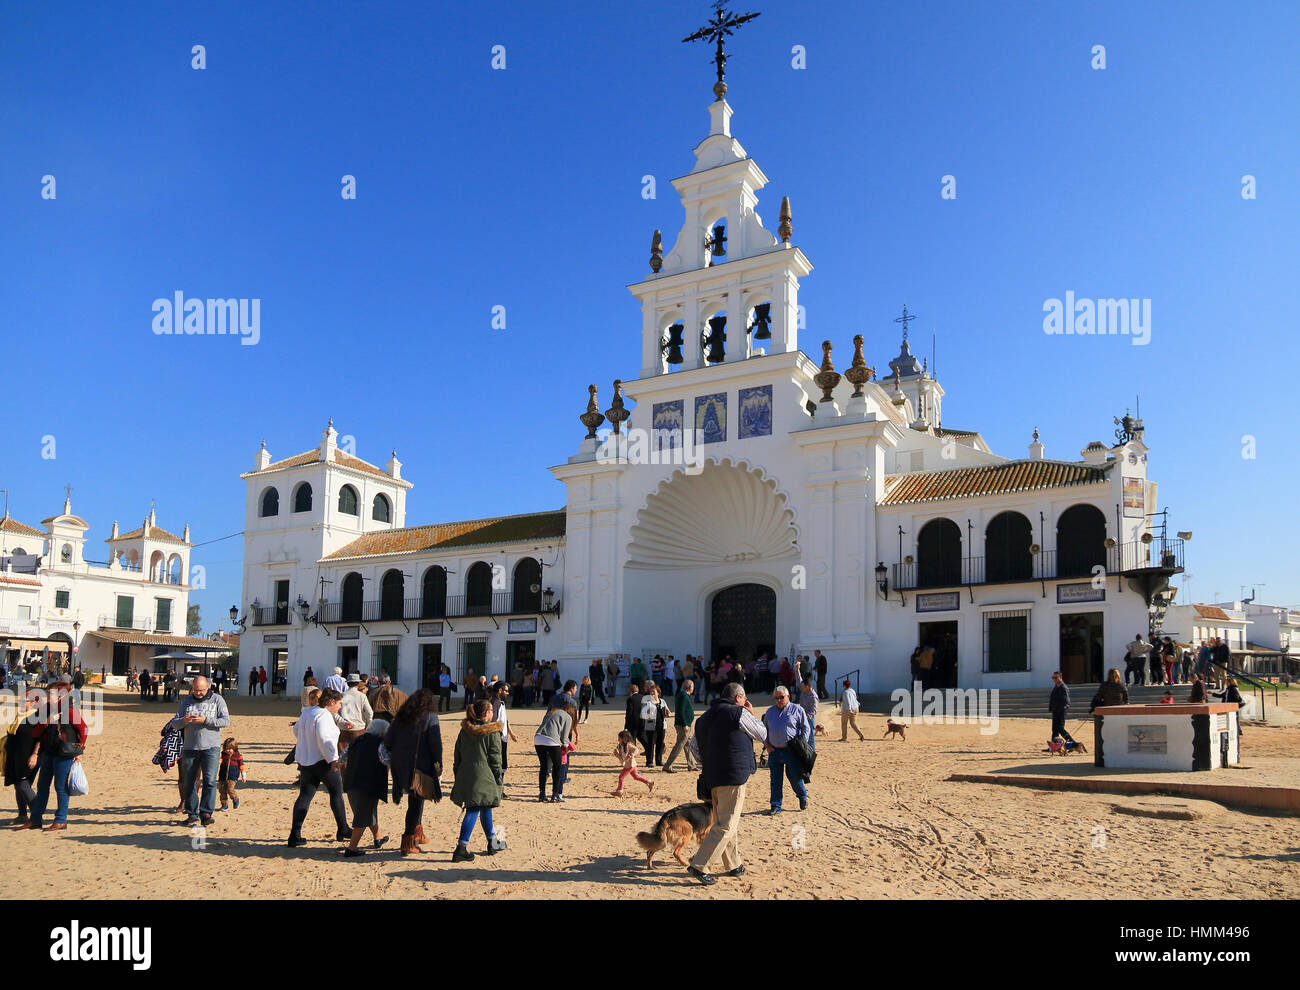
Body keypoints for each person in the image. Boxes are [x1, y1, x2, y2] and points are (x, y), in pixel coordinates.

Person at [685, 682, 768, 885]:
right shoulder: (738, 712)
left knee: (726, 821)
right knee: (726, 825)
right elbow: (762, 734)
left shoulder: (704, 718)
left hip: (712, 777)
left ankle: (733, 864)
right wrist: (751, 713)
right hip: (733, 776)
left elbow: (694, 748)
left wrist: (711, 761)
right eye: (744, 698)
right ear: (738, 697)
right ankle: (699, 865)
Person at [18, 678, 88, 832]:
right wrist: (47, 721)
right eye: (48, 693)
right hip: (48, 752)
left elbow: (84, 729)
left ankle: (61, 820)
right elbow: (37, 731)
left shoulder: (69, 711)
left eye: (51, 693)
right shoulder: (46, 709)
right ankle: (35, 819)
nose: (48, 695)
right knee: (42, 786)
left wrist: (80, 749)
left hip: (64, 753)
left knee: (60, 787)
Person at [383, 688, 444, 855]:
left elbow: (388, 742)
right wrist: (439, 764)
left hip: (400, 765)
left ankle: (418, 833)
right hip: (420, 766)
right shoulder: (430, 717)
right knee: (416, 802)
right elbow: (435, 743)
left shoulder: (400, 717)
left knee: (416, 800)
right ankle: (408, 841)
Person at [288, 688, 351, 847]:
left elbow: (296, 730)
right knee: (336, 793)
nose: (339, 707)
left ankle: (294, 835)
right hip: (323, 762)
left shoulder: (308, 712)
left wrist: (308, 741)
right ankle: (343, 828)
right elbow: (324, 739)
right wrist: (333, 760)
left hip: (306, 761)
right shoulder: (323, 715)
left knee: (305, 796)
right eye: (339, 704)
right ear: (331, 702)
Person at [169, 676, 230, 828]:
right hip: (190, 748)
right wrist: (185, 720)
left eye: (201, 690)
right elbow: (174, 723)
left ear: (207, 687)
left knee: (209, 781)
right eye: (196, 690)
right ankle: (192, 815)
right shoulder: (187, 701)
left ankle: (206, 814)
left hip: (211, 748)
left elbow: (225, 721)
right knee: (189, 782)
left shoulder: (217, 700)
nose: (198, 693)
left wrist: (206, 720)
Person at [451, 699, 507, 862]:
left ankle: (492, 841)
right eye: (491, 710)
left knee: (485, 806)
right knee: (474, 808)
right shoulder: (492, 732)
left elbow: (457, 754)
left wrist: (458, 773)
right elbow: (496, 759)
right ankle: (461, 847)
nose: (493, 713)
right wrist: (498, 779)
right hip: (485, 775)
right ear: (487, 713)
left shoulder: (465, 730)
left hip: (466, 772)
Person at [341, 716, 390, 858]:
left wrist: (336, 764)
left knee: (366, 812)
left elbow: (343, 756)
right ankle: (352, 849)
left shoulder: (356, 740)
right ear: (382, 733)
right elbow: (385, 759)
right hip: (369, 784)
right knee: (363, 816)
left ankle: (378, 837)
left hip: (351, 783)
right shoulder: (380, 744)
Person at [762, 686, 810, 814]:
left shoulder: (797, 710)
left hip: (791, 751)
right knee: (775, 779)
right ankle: (776, 806)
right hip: (774, 751)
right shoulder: (770, 712)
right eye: (776, 698)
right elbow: (764, 730)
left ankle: (802, 796)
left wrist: (799, 745)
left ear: (788, 696)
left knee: (794, 777)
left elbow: (806, 729)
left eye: (781, 697)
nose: (778, 700)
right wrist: (766, 744)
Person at [3, 690, 40, 825]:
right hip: (16, 756)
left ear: (34, 702)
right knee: (18, 785)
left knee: (22, 783)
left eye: (25, 702)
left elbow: (40, 739)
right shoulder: (20, 716)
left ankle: (37, 813)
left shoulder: (37, 717)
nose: (21, 704)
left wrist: (34, 755)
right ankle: (22, 815)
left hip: (29, 756)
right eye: (20, 702)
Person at [534, 701, 573, 803]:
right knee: (557, 766)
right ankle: (555, 795)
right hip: (551, 740)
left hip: (538, 738)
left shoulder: (550, 713)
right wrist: (567, 747)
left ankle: (542, 794)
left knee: (544, 767)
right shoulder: (568, 717)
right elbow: (565, 738)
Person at [662, 679, 698, 773]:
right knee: (679, 745)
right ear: (690, 687)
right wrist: (685, 723)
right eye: (692, 687)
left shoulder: (683, 695)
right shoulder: (683, 696)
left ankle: (691, 765)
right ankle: (668, 765)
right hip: (683, 725)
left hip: (685, 724)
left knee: (688, 745)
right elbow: (681, 711)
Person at [612, 730, 654, 796]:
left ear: (624, 739)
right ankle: (649, 782)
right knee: (636, 777)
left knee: (621, 777)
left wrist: (631, 755)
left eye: (619, 738)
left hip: (630, 765)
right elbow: (622, 759)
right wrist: (616, 754)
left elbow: (636, 750)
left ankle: (619, 790)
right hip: (630, 765)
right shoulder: (620, 746)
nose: (618, 740)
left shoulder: (628, 745)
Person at [490, 682, 519, 775]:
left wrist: (511, 733)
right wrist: (498, 736)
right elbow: (493, 721)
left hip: (503, 738)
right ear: (499, 691)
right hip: (498, 739)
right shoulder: (495, 702)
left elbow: (504, 720)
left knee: (503, 765)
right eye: (506, 691)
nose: (508, 693)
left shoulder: (500, 702)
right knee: (499, 765)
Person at [640, 683, 670, 767]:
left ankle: (659, 761)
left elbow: (667, 712)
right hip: (651, 727)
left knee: (660, 744)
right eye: (650, 692)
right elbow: (642, 715)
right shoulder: (647, 702)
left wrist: (668, 713)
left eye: (654, 692)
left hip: (661, 726)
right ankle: (649, 761)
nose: (652, 694)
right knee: (650, 744)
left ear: (658, 693)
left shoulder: (663, 701)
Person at [1048, 671, 1075, 746]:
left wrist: (1062, 708)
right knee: (1055, 730)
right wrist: (1051, 708)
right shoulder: (1056, 687)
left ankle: (1072, 744)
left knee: (1060, 729)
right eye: (1053, 678)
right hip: (1055, 710)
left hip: (1061, 711)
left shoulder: (1063, 687)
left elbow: (1066, 701)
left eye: (1056, 678)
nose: (1054, 679)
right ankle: (1054, 746)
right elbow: (1053, 698)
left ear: (1060, 678)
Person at [218, 737, 245, 811]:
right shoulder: (223, 755)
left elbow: (242, 766)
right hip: (222, 776)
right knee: (222, 791)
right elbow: (220, 761)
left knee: (230, 789)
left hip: (232, 776)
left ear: (235, 748)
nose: (228, 750)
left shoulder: (238, 755)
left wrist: (243, 775)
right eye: (226, 748)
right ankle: (224, 805)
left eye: (230, 749)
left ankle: (235, 799)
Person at [796, 679, 819, 752]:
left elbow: (813, 711)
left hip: (809, 720)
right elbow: (799, 680)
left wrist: (804, 717)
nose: (801, 688)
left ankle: (811, 754)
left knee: (810, 738)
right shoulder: (804, 690)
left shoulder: (813, 697)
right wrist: (797, 670)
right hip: (802, 718)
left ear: (808, 686)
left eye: (803, 687)